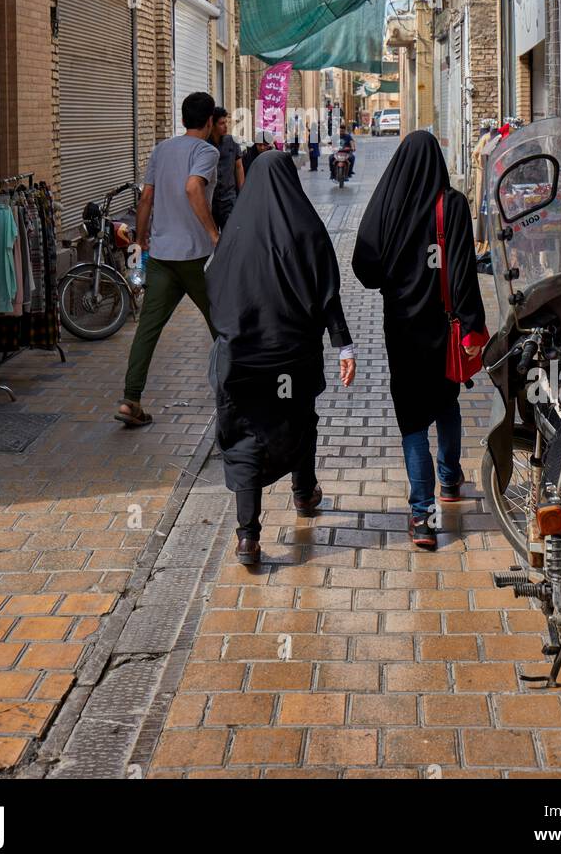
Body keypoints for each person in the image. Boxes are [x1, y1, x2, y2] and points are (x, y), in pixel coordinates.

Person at [206, 151, 356, 564]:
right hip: (293, 360)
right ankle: (304, 493)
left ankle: (247, 537)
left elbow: (214, 288)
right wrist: (343, 344)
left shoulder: (234, 233)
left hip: (244, 360)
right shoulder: (305, 227)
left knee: (246, 437)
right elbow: (327, 291)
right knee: (299, 421)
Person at [352, 131, 488, 549]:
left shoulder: (387, 207)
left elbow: (364, 268)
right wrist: (472, 327)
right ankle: (450, 479)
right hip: (444, 330)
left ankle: (422, 518)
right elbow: (464, 273)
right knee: (446, 400)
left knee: (412, 419)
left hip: (402, 331)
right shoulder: (453, 204)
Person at [116, 91, 219, 427]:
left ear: (183, 117)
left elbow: (146, 198)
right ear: (207, 122)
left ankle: (131, 400)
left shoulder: (161, 149)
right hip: (195, 257)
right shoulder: (206, 151)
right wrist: (214, 234)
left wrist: (143, 238)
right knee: (222, 325)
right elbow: (193, 188)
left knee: (147, 328)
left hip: (161, 255)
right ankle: (236, 397)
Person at [209, 106, 244, 229]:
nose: (226, 126)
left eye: (226, 122)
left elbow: (239, 168)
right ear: (212, 125)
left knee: (230, 237)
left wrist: (242, 193)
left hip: (229, 199)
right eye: (221, 123)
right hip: (210, 201)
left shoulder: (232, 142)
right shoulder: (204, 145)